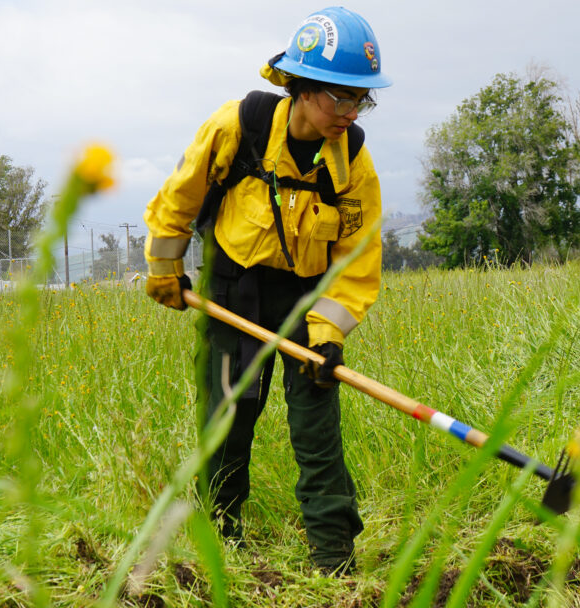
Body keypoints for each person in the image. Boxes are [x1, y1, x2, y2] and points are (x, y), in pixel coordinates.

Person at [142, 6, 391, 575]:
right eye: (340, 97)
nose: (351, 113)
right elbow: (179, 199)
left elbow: (357, 261)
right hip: (233, 295)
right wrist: (164, 270)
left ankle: (333, 557)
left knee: (317, 430)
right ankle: (221, 542)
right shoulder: (239, 126)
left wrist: (327, 336)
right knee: (230, 417)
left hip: (308, 300)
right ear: (301, 88)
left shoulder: (353, 160)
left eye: (362, 100)